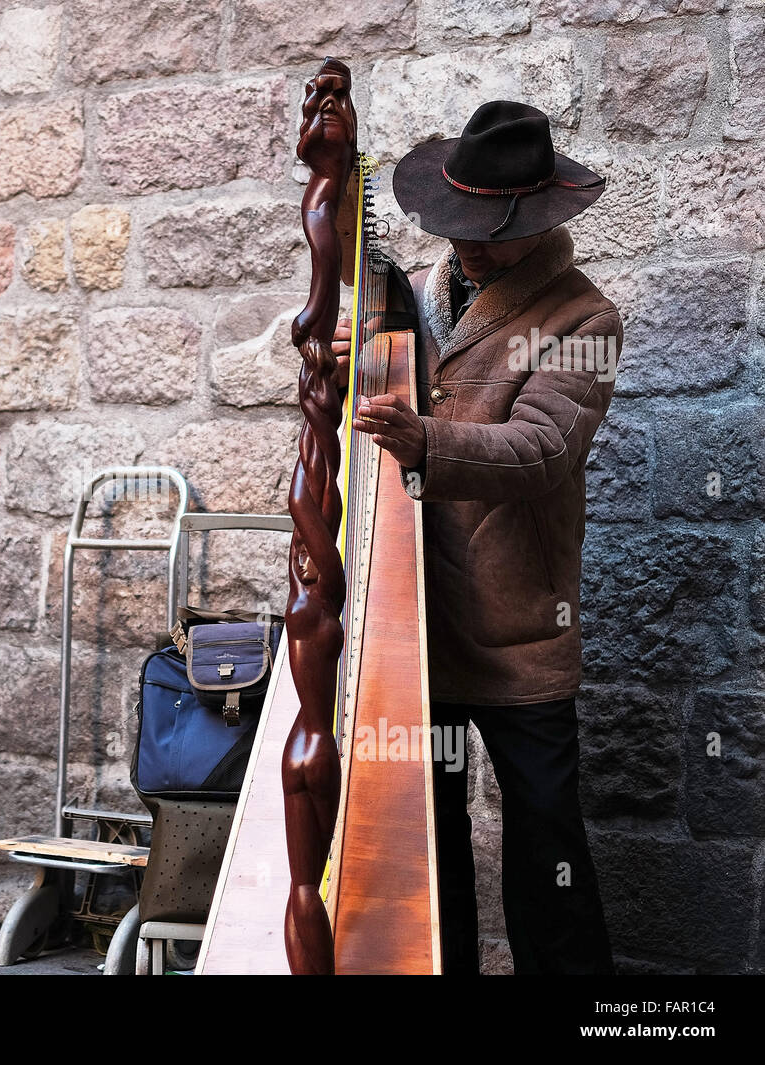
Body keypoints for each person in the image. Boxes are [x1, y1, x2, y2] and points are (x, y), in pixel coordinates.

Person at [337, 100, 620, 974]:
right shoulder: (414, 299)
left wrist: (429, 437)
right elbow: (379, 412)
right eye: (461, 228)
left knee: (548, 852)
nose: (469, 247)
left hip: (518, 631)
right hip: (414, 628)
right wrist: (345, 360)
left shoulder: (586, 321)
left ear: (536, 225)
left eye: (490, 234)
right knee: (428, 846)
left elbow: (541, 449)